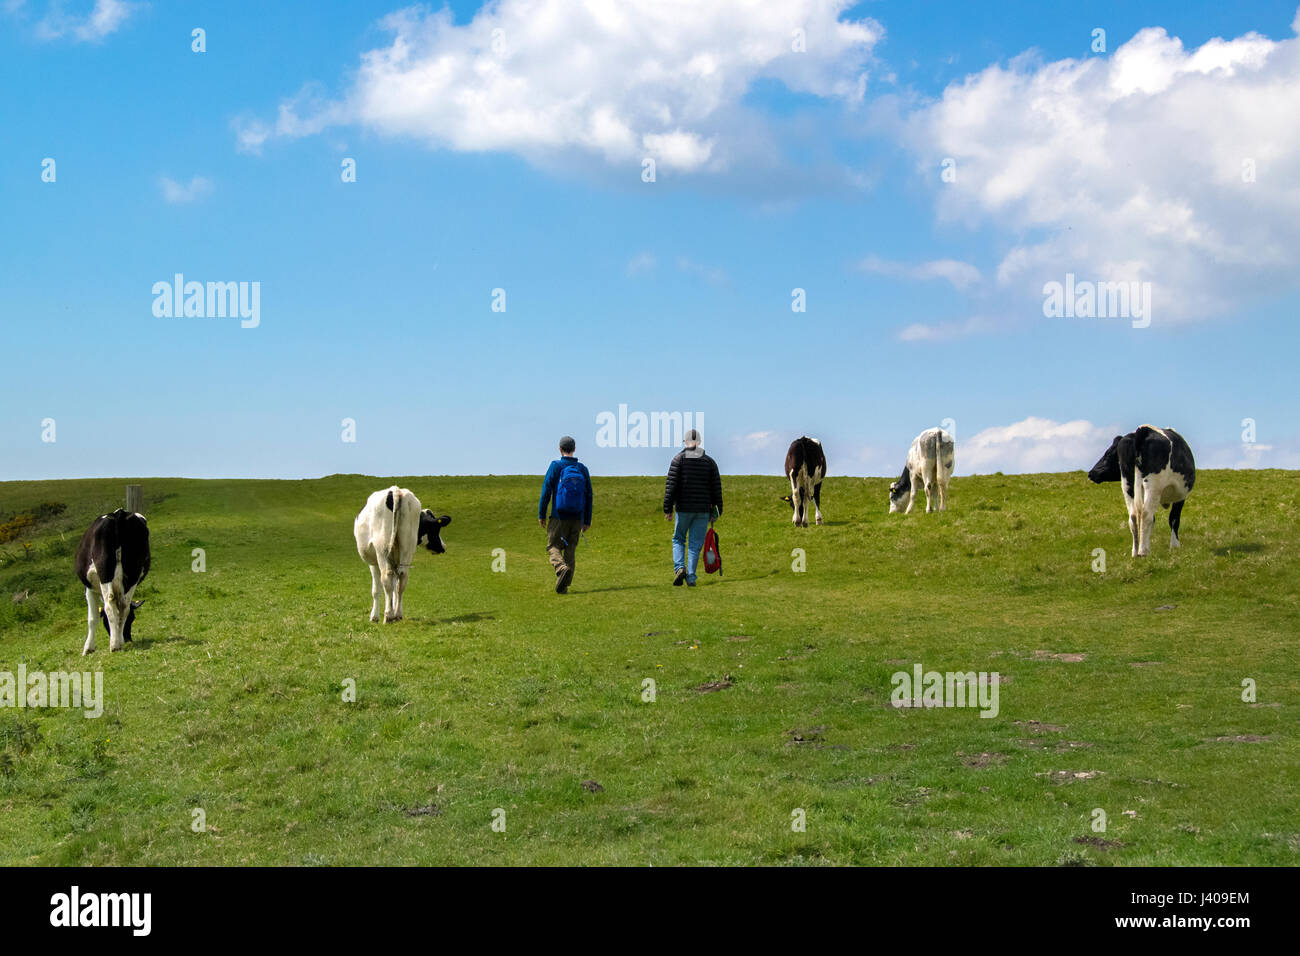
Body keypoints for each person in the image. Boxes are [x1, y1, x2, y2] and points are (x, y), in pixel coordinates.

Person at [662, 428, 723, 587]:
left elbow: (671, 486)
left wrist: (668, 508)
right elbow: (716, 488)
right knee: (695, 544)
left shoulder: (678, 459)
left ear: (685, 442)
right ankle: (691, 577)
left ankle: (680, 568)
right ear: (699, 442)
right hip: (703, 510)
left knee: (678, 539)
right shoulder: (709, 462)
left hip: (683, 508)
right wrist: (718, 510)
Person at [538, 436, 593, 594]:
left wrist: (542, 514)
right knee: (571, 549)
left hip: (558, 516)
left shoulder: (556, 466)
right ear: (574, 449)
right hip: (577, 517)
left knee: (553, 546)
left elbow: (546, 491)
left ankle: (561, 569)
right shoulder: (582, 469)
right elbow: (589, 495)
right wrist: (587, 520)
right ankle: (564, 586)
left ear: (560, 449)